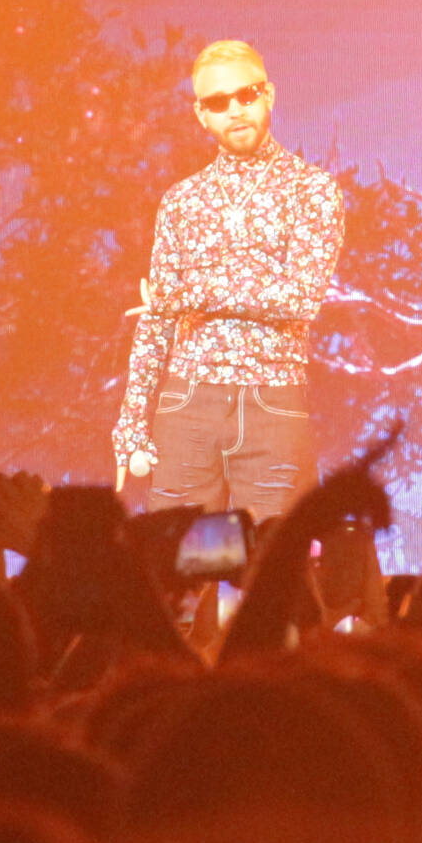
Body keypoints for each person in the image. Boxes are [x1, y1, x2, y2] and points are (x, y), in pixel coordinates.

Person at [109, 39, 346, 521]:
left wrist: (194, 292)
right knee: (177, 577)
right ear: (201, 114)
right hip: (186, 402)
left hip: (272, 400)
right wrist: (131, 424)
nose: (236, 110)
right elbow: (156, 318)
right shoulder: (181, 200)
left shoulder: (312, 190)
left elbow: (300, 298)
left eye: (247, 95)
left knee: (274, 577)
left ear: (269, 96)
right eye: (218, 102)